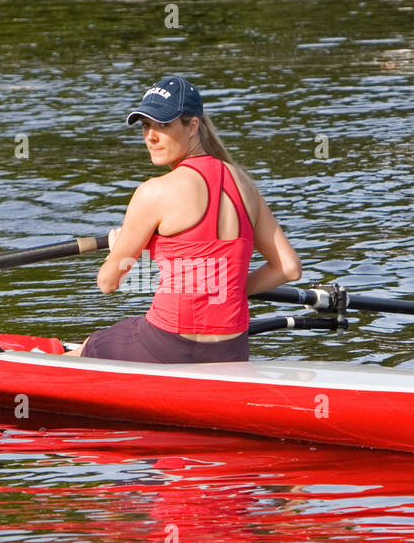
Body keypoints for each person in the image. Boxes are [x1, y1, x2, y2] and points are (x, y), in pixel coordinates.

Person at [68, 75, 302, 363]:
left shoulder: (155, 191)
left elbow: (107, 283)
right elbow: (288, 268)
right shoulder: (244, 183)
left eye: (163, 125)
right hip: (231, 349)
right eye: (145, 126)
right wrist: (227, 288)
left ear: (192, 126)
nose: (150, 137)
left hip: (168, 344)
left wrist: (120, 249)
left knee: (93, 343)